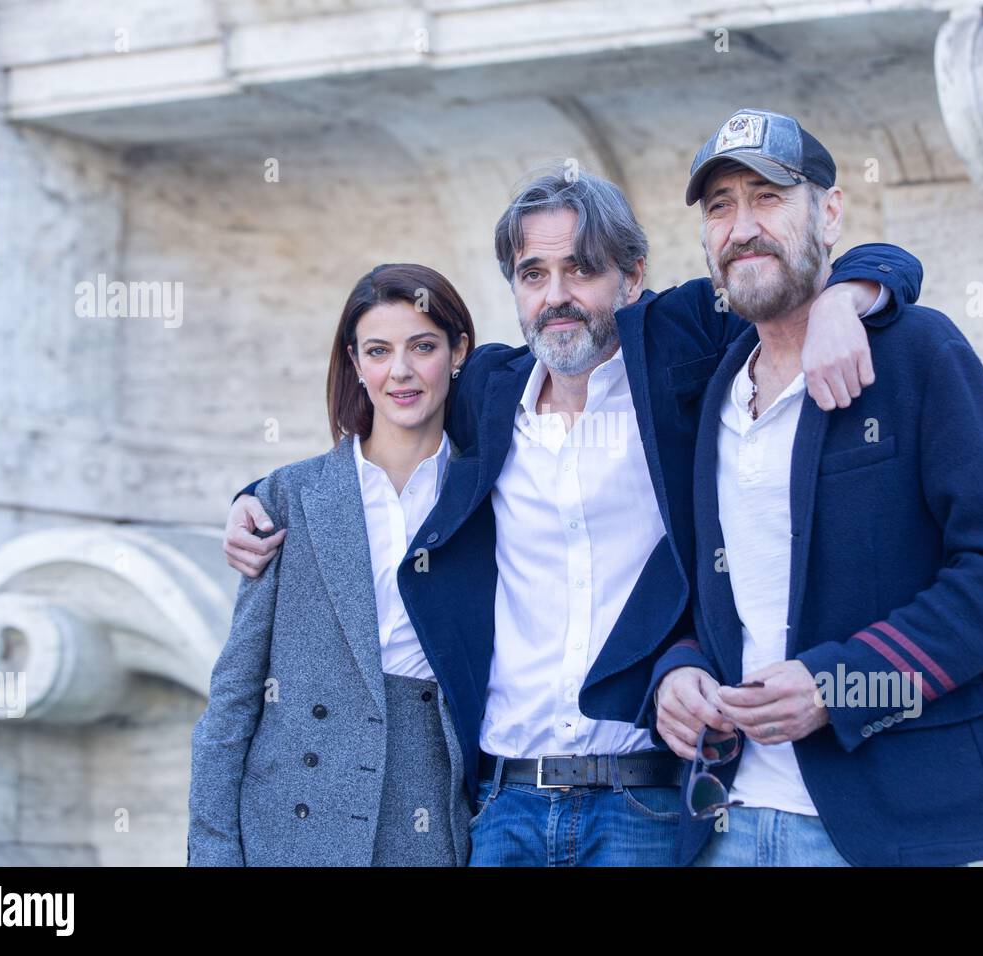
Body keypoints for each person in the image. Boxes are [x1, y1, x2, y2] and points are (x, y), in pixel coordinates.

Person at [222, 162, 923, 865]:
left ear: (633, 276)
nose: (556, 297)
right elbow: (383, 436)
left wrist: (845, 299)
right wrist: (254, 498)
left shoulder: (679, 354)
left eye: (581, 270)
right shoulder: (488, 395)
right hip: (503, 807)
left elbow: (800, 268)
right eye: (533, 275)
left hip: (643, 804)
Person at [645, 108, 983, 866]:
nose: (742, 226)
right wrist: (678, 673)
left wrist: (841, 686)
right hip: (725, 824)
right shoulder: (715, 388)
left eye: (768, 197)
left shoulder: (919, 353)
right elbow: (710, 589)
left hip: (884, 831)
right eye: (720, 206)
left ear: (830, 212)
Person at [188, 263, 475, 866]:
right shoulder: (289, 499)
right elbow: (235, 694)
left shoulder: (488, 494)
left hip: (429, 811)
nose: (400, 370)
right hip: (291, 820)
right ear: (355, 363)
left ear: (457, 352)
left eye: (422, 346)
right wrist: (213, 854)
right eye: (378, 350)